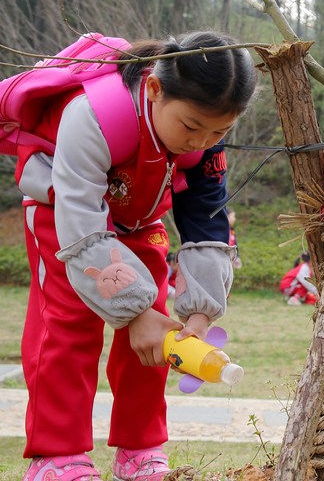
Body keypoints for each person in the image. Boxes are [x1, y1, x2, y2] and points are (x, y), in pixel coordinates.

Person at [14, 31, 257, 481]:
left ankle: (140, 447)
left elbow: (206, 220)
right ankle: (57, 455)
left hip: (140, 219)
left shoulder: (204, 139)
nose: (200, 141)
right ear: (154, 89)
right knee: (68, 326)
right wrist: (133, 309)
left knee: (158, 332)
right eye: (190, 127)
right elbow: (82, 223)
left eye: (219, 131)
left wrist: (199, 313)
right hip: (65, 214)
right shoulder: (92, 115)